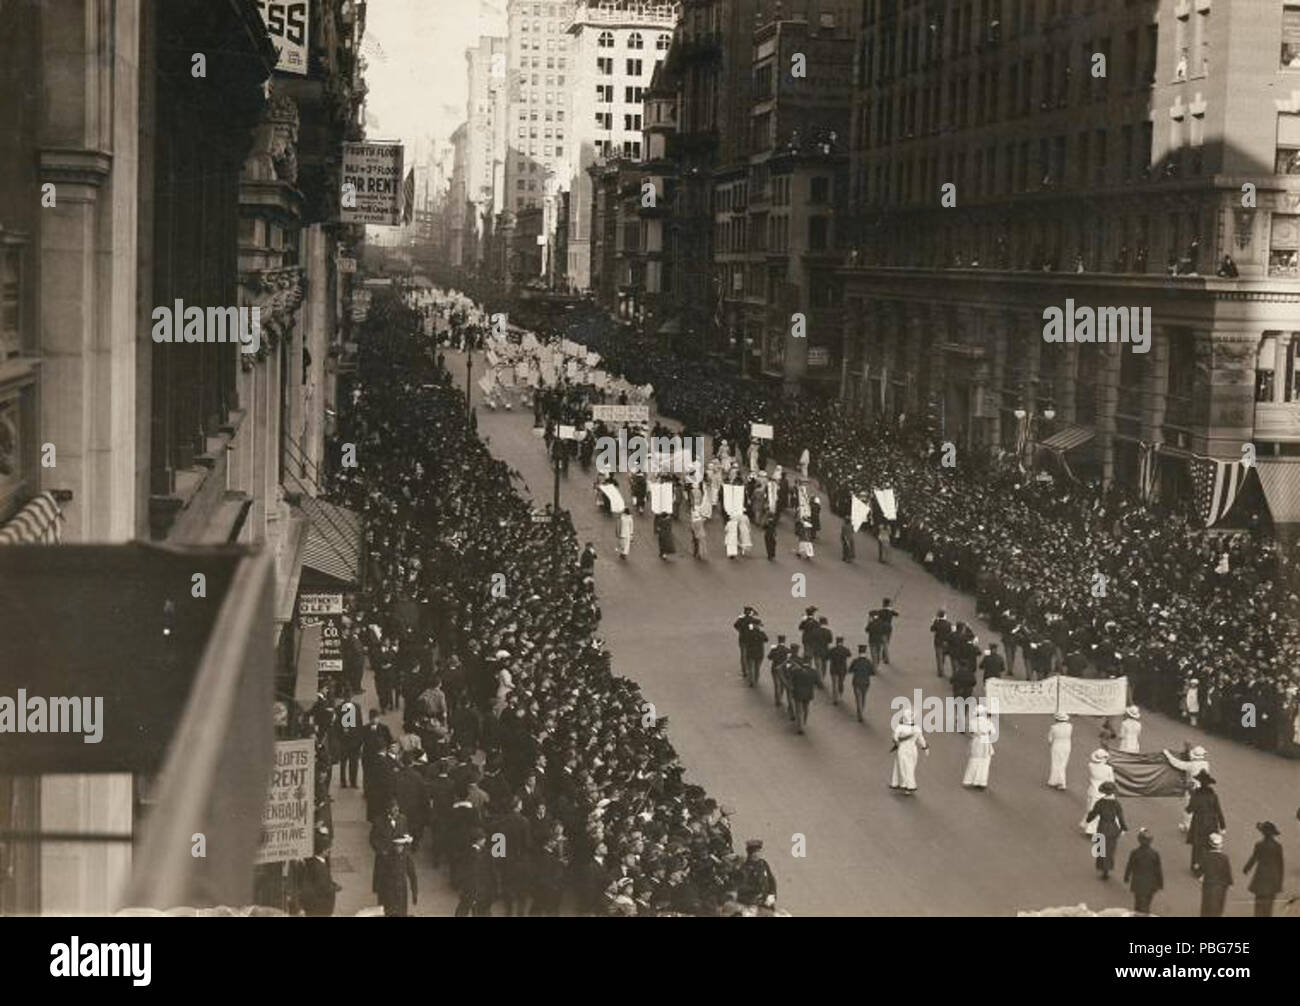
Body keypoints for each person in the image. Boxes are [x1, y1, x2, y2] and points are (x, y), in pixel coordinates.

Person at [371, 796, 418, 917]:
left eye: (397, 809)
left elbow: (405, 832)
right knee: (385, 899)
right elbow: (373, 839)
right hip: (384, 861)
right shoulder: (379, 822)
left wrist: (406, 840)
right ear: (388, 810)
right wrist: (382, 850)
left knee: (400, 902)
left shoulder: (403, 819)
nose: (396, 812)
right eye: (394, 810)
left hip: (398, 859)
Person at [1085, 781, 1128, 880]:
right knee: (1110, 849)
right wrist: (1124, 828)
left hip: (1102, 827)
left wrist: (1088, 820)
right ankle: (1107, 868)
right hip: (1113, 828)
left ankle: (1102, 866)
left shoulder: (1100, 803)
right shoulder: (1116, 803)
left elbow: (1093, 813)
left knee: (1101, 849)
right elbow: (1120, 817)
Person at [1186, 771, 1226, 873]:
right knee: (1209, 845)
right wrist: (1222, 825)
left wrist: (1190, 794)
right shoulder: (1213, 796)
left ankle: (1196, 866)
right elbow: (1218, 810)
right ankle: (1207, 867)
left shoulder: (1196, 795)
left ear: (1199, 782)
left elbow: (1189, 809)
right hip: (1211, 822)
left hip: (1199, 822)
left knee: (1197, 846)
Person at [1242, 821, 1284, 917]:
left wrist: (1246, 868)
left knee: (1259, 906)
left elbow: (1254, 858)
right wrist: (1280, 882)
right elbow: (1281, 865)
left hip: (1260, 879)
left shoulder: (1259, 845)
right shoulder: (1278, 847)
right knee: (1268, 907)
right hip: (1273, 880)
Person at [455, 827, 495, 917]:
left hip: (470, 891)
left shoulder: (466, 853)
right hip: (478, 891)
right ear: (478, 840)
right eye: (483, 838)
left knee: (464, 909)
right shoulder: (485, 854)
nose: (485, 840)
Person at [1123, 828, 1163, 914]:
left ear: (1139, 840)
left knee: (1139, 904)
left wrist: (1126, 877)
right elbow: (1158, 870)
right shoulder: (1154, 854)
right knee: (1146, 904)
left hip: (1138, 884)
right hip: (1151, 884)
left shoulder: (1135, 853)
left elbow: (1130, 866)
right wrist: (1160, 883)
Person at [890, 708, 929, 794]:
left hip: (902, 749)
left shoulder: (900, 727)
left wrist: (897, 743)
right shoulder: (917, 728)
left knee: (903, 766)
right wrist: (925, 748)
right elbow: (921, 739)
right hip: (913, 749)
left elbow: (895, 738)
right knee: (910, 767)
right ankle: (909, 785)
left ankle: (904, 784)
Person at [1196, 833, 1232, 917]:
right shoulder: (1224, 857)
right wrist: (1230, 883)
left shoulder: (1205, 856)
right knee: (1219, 904)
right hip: (1221, 885)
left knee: (1206, 904)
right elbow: (1227, 871)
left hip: (1209, 884)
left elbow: (1199, 870)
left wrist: (1200, 876)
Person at [1080, 749, 1115, 835]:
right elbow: (1111, 781)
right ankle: (1095, 829)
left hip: (1092, 790)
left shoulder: (1091, 765)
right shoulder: (1108, 769)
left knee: (1091, 809)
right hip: (1103, 792)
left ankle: (1089, 828)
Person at [961, 708, 995, 789]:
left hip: (976, 741)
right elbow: (993, 732)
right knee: (985, 762)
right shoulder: (988, 722)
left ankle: (969, 780)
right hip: (985, 741)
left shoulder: (973, 722)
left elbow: (971, 731)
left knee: (974, 760)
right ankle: (981, 782)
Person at [737, 839, 777, 906]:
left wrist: (772, 894)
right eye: (754, 852)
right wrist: (757, 898)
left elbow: (771, 880)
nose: (757, 854)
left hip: (767, 903)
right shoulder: (744, 869)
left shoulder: (763, 864)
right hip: (751, 905)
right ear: (749, 854)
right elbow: (742, 890)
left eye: (758, 852)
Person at [789, 653, 818, 735]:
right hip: (808, 693)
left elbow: (792, 681)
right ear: (810, 662)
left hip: (798, 693)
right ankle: (804, 722)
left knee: (799, 711)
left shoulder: (796, 671)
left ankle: (800, 727)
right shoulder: (813, 672)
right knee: (806, 708)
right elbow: (817, 683)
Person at [1047, 711, 1072, 790]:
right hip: (1067, 745)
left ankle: (1060, 782)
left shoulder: (1053, 727)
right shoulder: (1070, 726)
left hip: (1057, 745)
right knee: (1063, 763)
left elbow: (1050, 739)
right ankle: (1055, 781)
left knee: (1056, 763)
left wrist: (1051, 743)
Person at [849, 645, 874, 722]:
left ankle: (859, 712)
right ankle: (861, 711)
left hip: (856, 681)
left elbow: (850, 670)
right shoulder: (868, 662)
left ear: (859, 652)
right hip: (866, 682)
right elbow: (872, 672)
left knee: (858, 698)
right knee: (863, 697)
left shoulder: (855, 661)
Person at [827, 635, 851, 706]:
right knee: (841, 682)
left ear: (836, 642)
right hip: (842, 669)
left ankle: (835, 698)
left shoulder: (832, 650)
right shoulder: (845, 649)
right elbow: (849, 655)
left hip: (834, 669)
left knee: (834, 684)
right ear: (842, 642)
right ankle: (840, 695)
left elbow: (828, 656)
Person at [768, 634, 790, 710]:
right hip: (784, 670)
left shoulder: (774, 649)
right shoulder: (787, 650)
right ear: (784, 640)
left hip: (775, 668)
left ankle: (777, 700)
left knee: (776, 684)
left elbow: (769, 657)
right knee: (782, 684)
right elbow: (789, 661)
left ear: (778, 640)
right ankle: (780, 696)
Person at [930, 609, 953, 678]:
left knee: (939, 657)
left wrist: (934, 621)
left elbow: (932, 629)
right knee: (943, 656)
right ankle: (941, 668)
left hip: (938, 642)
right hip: (946, 642)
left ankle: (940, 671)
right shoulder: (949, 624)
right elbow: (951, 632)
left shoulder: (937, 623)